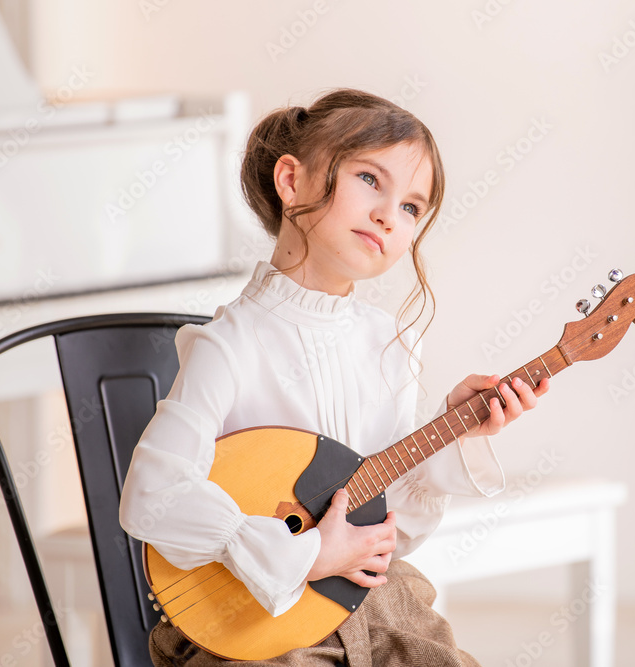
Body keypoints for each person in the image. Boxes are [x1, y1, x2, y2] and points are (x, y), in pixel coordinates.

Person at [118, 88, 550, 667]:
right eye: (370, 180)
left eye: (412, 208)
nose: (387, 216)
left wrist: (456, 432)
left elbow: (389, 529)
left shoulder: (391, 345)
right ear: (291, 180)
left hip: (381, 611)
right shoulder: (230, 344)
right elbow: (151, 494)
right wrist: (303, 555)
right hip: (253, 622)